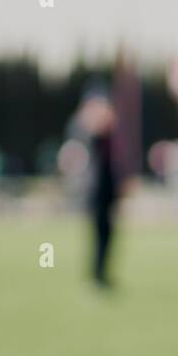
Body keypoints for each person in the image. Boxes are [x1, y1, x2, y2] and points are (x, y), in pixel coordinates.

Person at [70, 86, 123, 287]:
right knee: (98, 232)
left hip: (107, 187)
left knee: (108, 233)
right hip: (95, 188)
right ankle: (96, 275)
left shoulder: (108, 128)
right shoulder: (83, 126)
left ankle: (102, 273)